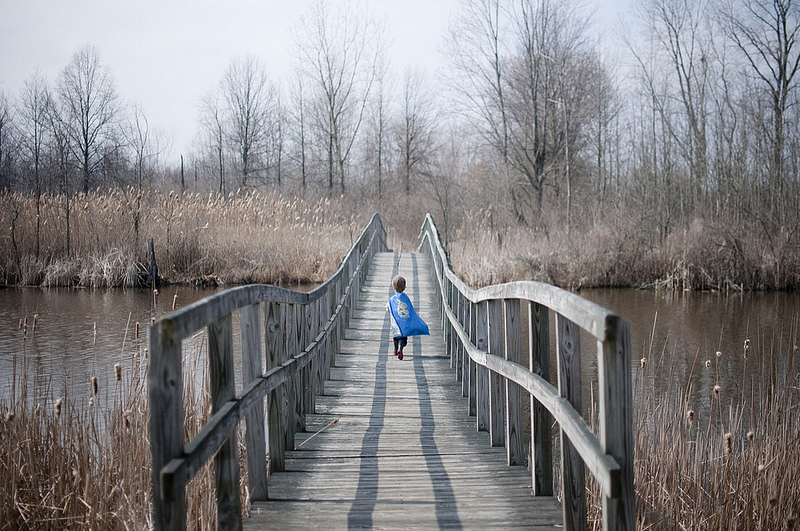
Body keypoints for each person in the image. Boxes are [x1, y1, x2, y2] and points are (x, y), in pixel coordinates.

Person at [386, 275, 429, 360]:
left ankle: (395, 350)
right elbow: (410, 309)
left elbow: (388, 308)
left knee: (396, 336)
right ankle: (400, 348)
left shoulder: (392, 299)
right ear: (404, 287)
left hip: (395, 322)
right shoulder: (406, 298)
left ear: (393, 287)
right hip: (404, 323)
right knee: (403, 338)